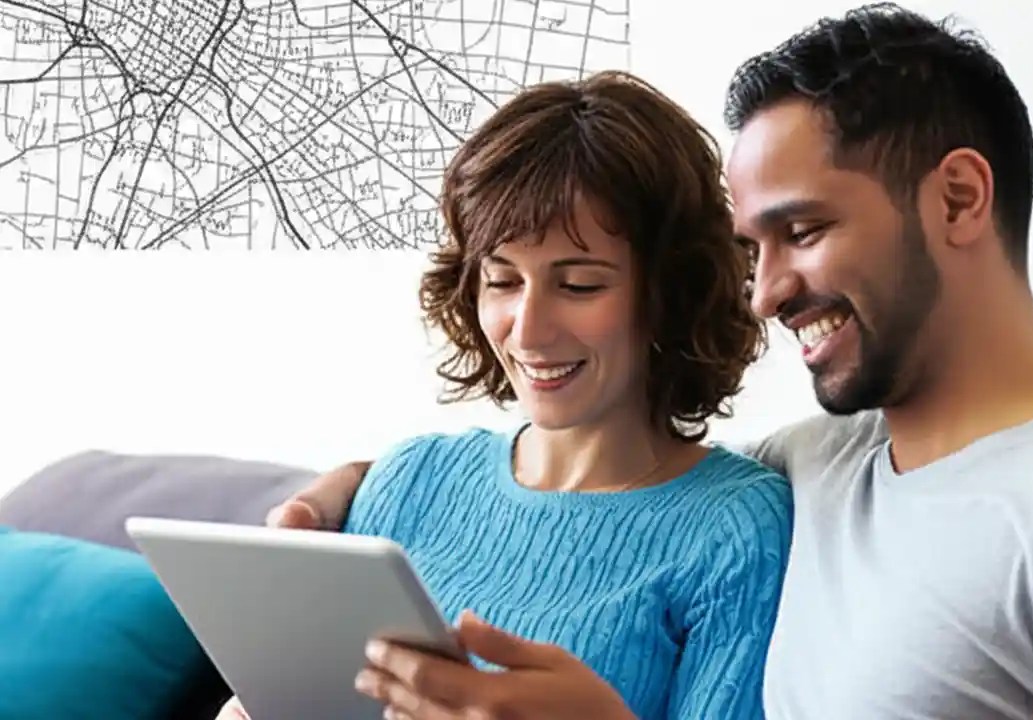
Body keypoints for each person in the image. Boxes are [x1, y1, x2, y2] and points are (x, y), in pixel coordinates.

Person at [268, 4, 1033, 720]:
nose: (762, 290)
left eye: (802, 230)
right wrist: (351, 494)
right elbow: (607, 482)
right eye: (752, 248)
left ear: (959, 200)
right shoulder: (810, 469)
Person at [217, 70, 792, 720]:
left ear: (671, 295)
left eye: (578, 285)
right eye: (502, 280)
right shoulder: (409, 480)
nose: (529, 329)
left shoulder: (734, 531)